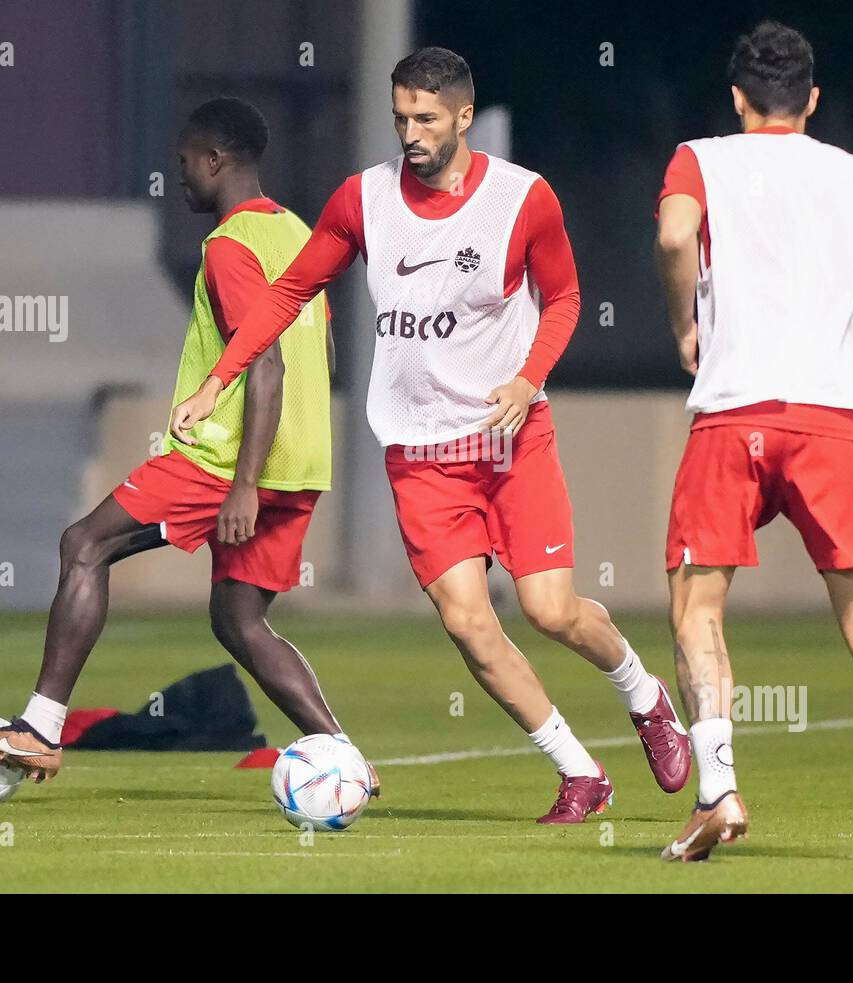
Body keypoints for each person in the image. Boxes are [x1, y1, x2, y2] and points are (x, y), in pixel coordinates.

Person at [169, 48, 691, 824]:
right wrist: (220, 378)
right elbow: (289, 293)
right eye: (399, 117)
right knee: (469, 625)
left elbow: (568, 298)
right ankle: (580, 773)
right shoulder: (363, 200)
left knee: (549, 610)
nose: (409, 132)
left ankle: (645, 698)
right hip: (420, 452)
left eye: (425, 118)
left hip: (512, 438)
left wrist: (527, 377)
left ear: (463, 116)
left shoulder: (523, 199)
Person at [0, 98, 372, 791]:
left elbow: (265, 360)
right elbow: (320, 344)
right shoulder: (298, 233)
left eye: (184, 164)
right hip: (300, 460)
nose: (178, 178)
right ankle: (343, 756)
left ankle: (39, 728)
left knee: (84, 544)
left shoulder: (231, 246)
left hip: (228, 459)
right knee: (239, 619)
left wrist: (242, 480)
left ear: (215, 160)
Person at [653, 21, 853, 860]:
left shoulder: (698, 158)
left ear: (737, 97)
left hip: (733, 412)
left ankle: (718, 792)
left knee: (695, 605)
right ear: (812, 99)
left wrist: (683, 325)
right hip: (830, 422)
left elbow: (675, 236)